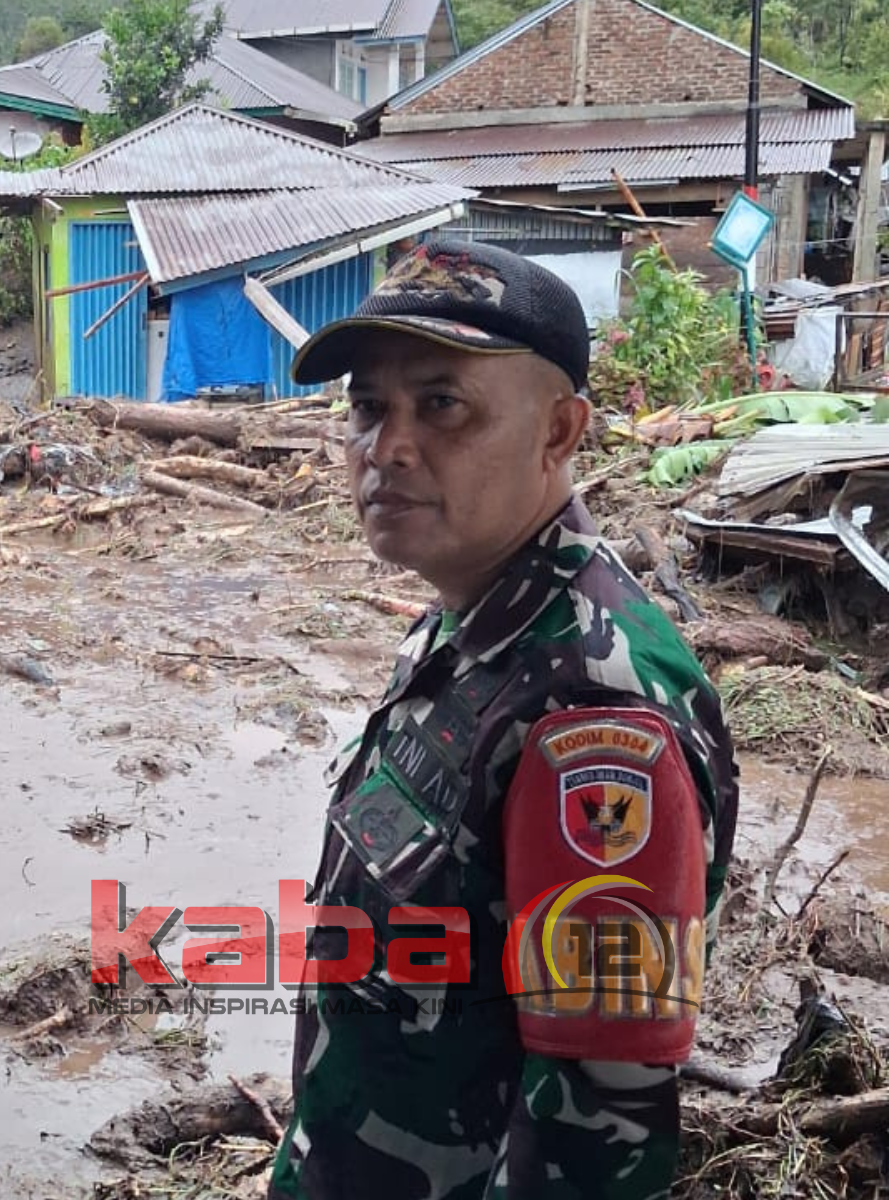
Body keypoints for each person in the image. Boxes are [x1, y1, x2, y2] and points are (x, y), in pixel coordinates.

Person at [267, 241, 740, 1200]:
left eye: (442, 405)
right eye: (368, 407)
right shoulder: (474, 623)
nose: (385, 448)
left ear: (559, 432)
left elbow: (599, 1135)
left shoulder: (594, 719)